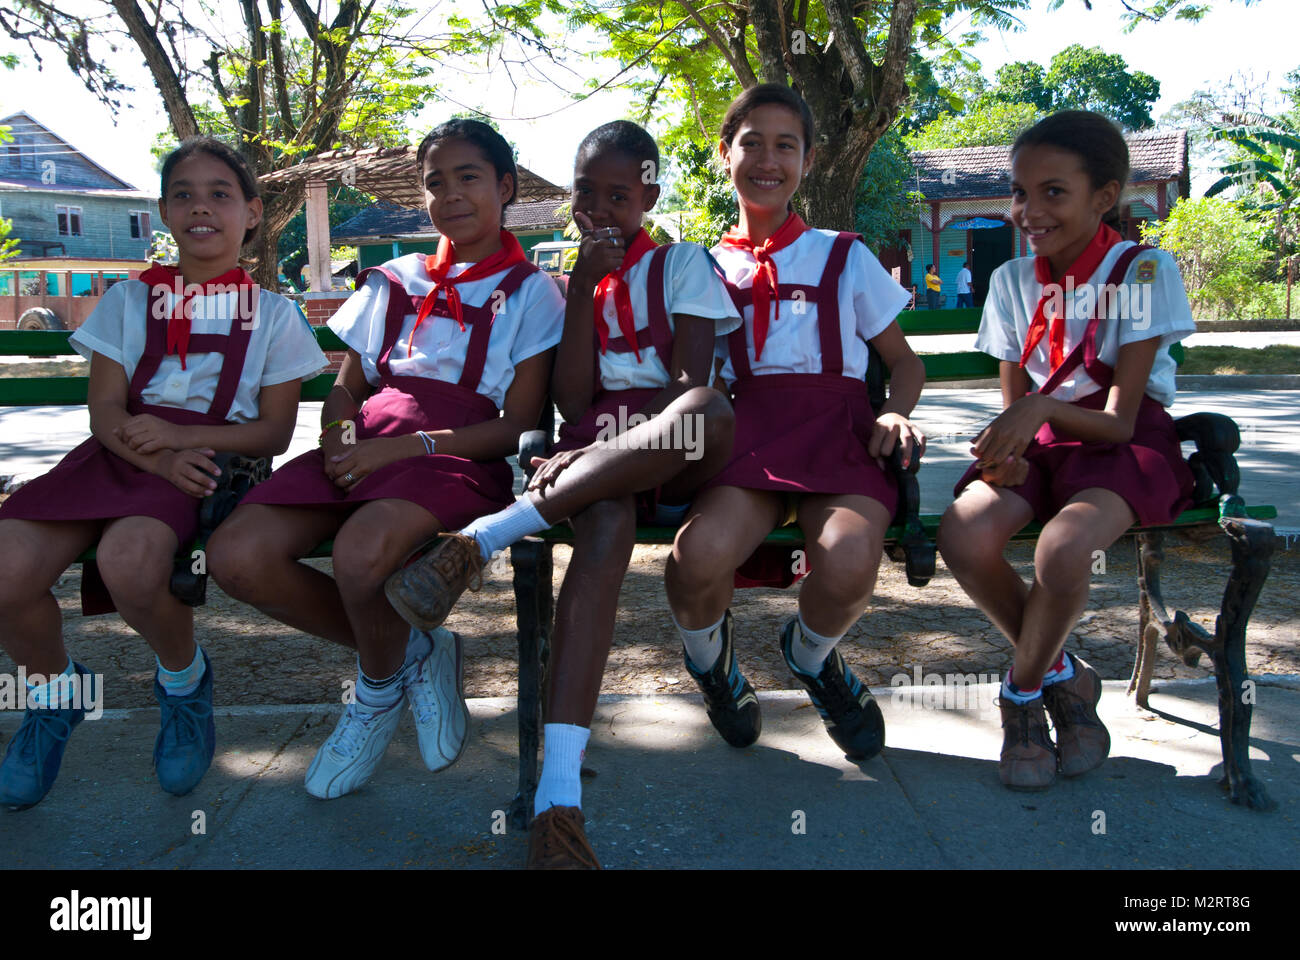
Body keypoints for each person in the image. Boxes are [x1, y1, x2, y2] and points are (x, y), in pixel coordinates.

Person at [385, 121, 741, 868]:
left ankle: (484, 537)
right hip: (593, 462)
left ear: (651, 192)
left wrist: (598, 446)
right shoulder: (563, 281)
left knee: (710, 409)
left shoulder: (680, 264)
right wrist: (582, 287)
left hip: (675, 453)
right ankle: (557, 803)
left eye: (620, 193)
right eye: (586, 192)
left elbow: (687, 387)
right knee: (603, 529)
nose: (602, 208)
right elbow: (575, 399)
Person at [206, 119, 565, 801]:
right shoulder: (394, 279)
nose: (450, 194)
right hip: (364, 442)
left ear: (506, 187)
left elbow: (517, 423)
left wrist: (403, 448)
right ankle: (417, 651)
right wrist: (341, 438)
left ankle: (372, 695)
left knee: (361, 553)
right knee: (235, 556)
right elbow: (348, 388)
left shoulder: (531, 292)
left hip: (453, 453)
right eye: (435, 182)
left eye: (468, 178)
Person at [0, 137, 327, 808]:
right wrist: (155, 449)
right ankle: (56, 694)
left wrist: (180, 442)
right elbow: (104, 411)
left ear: (253, 213)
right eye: (183, 194)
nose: (200, 207)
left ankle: (184, 686)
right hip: (115, 453)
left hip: (203, 467)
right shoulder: (127, 299)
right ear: (162, 212)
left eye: (219, 194)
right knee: (4, 572)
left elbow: (273, 431)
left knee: (130, 562)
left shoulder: (274, 316)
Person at [936, 111, 1197, 791]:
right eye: (1021, 192)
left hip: (1122, 444)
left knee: (1061, 548)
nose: (1029, 211)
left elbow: (1119, 420)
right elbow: (1015, 412)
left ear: (1104, 196)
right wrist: (1006, 460)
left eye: (1055, 192)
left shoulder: (1141, 270)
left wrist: (1043, 410)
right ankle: (1065, 676)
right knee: (963, 532)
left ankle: (1021, 697)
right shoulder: (1011, 283)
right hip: (1047, 446)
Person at [666, 83, 926, 763]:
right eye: (752, 142)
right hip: (746, 438)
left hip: (839, 436)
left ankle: (812, 659)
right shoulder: (700, 267)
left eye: (787, 145)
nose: (768, 159)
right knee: (694, 561)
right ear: (725, 154)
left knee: (846, 563)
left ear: (807, 162)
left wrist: (895, 411)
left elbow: (904, 365)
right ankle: (713, 669)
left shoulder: (844, 255)